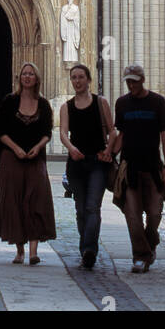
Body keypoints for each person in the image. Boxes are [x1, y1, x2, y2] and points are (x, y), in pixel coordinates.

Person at [108, 62, 165, 273]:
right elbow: (122, 134)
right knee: (133, 215)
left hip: (152, 167)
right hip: (130, 168)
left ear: (142, 80)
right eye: (128, 82)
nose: (131, 86)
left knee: (155, 213)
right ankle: (141, 256)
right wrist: (110, 155)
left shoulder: (157, 102)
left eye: (134, 82)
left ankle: (150, 240)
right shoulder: (122, 104)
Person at [0, 63, 56, 264]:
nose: (27, 77)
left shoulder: (43, 104)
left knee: (37, 198)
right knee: (14, 200)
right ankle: (19, 250)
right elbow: (0, 129)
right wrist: (15, 148)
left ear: (37, 78)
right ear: (20, 78)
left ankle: (33, 252)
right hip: (11, 157)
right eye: (24, 74)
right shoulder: (10, 101)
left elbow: (47, 131)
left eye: (31, 74)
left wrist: (38, 146)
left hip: (35, 157)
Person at [59, 63, 115, 268]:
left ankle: (89, 250)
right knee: (81, 209)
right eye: (74, 77)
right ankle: (87, 247)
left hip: (97, 163)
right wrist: (71, 148)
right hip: (76, 164)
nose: (77, 81)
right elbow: (63, 133)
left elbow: (112, 131)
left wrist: (109, 151)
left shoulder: (101, 103)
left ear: (89, 80)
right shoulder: (67, 106)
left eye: (81, 77)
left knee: (92, 207)